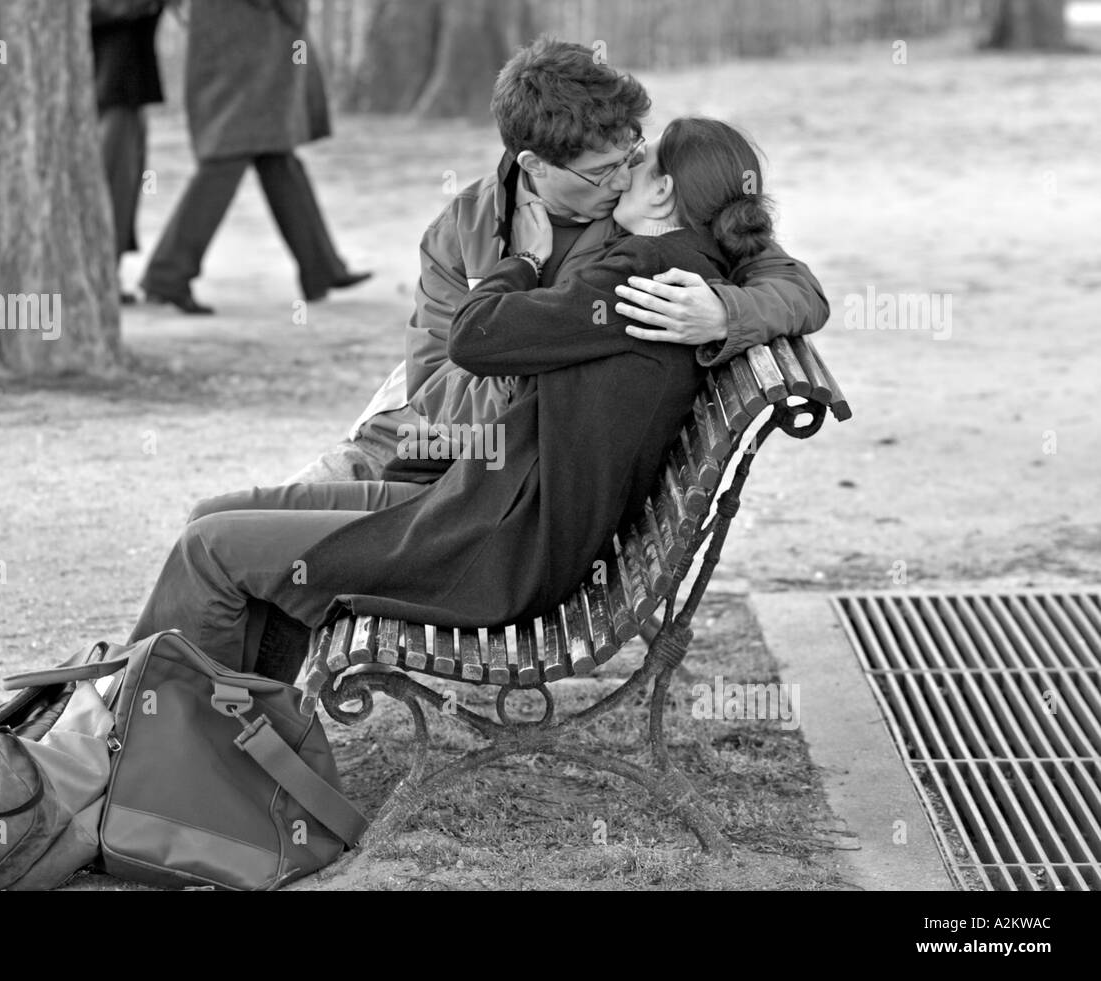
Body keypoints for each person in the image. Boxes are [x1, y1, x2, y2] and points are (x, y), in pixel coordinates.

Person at [125, 113, 790, 684]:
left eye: (637, 162)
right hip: (484, 508)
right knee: (214, 521)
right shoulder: (686, 269)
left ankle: (153, 759)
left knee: (212, 547)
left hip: (491, 549)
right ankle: (204, 747)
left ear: (665, 188)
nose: (624, 172)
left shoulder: (642, 272)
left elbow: (476, 337)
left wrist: (523, 261)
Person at [282, 38, 828, 486]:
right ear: (535, 165)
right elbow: (434, 386)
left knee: (267, 545)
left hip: (516, 473)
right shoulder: (464, 226)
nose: (623, 180)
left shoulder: (653, 210)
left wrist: (725, 316)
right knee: (253, 522)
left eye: (630, 155)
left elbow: (797, 288)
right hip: (424, 439)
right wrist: (530, 326)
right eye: (602, 171)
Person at [139, 0, 369, 313]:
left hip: (245, 37)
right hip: (250, 42)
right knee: (228, 155)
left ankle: (322, 267)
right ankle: (167, 274)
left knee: (276, 159)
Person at [91, 2, 166, 304]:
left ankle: (106, 271)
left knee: (125, 185)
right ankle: (101, 273)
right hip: (111, 82)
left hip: (125, 82)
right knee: (112, 185)